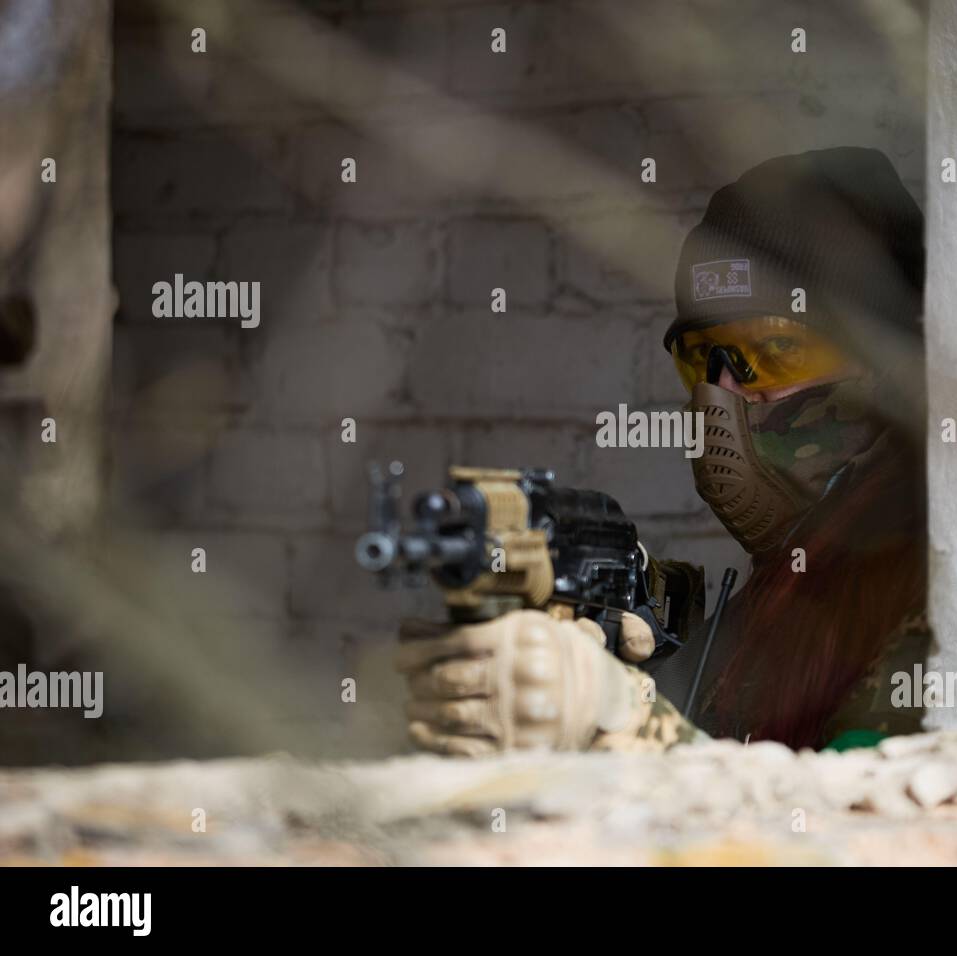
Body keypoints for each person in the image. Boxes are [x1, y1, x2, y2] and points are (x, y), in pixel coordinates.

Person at [396, 147, 928, 756]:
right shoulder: (789, 568)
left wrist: (630, 726)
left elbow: (869, 814)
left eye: (777, 349)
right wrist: (623, 670)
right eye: (703, 359)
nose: (721, 395)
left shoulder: (940, 569)